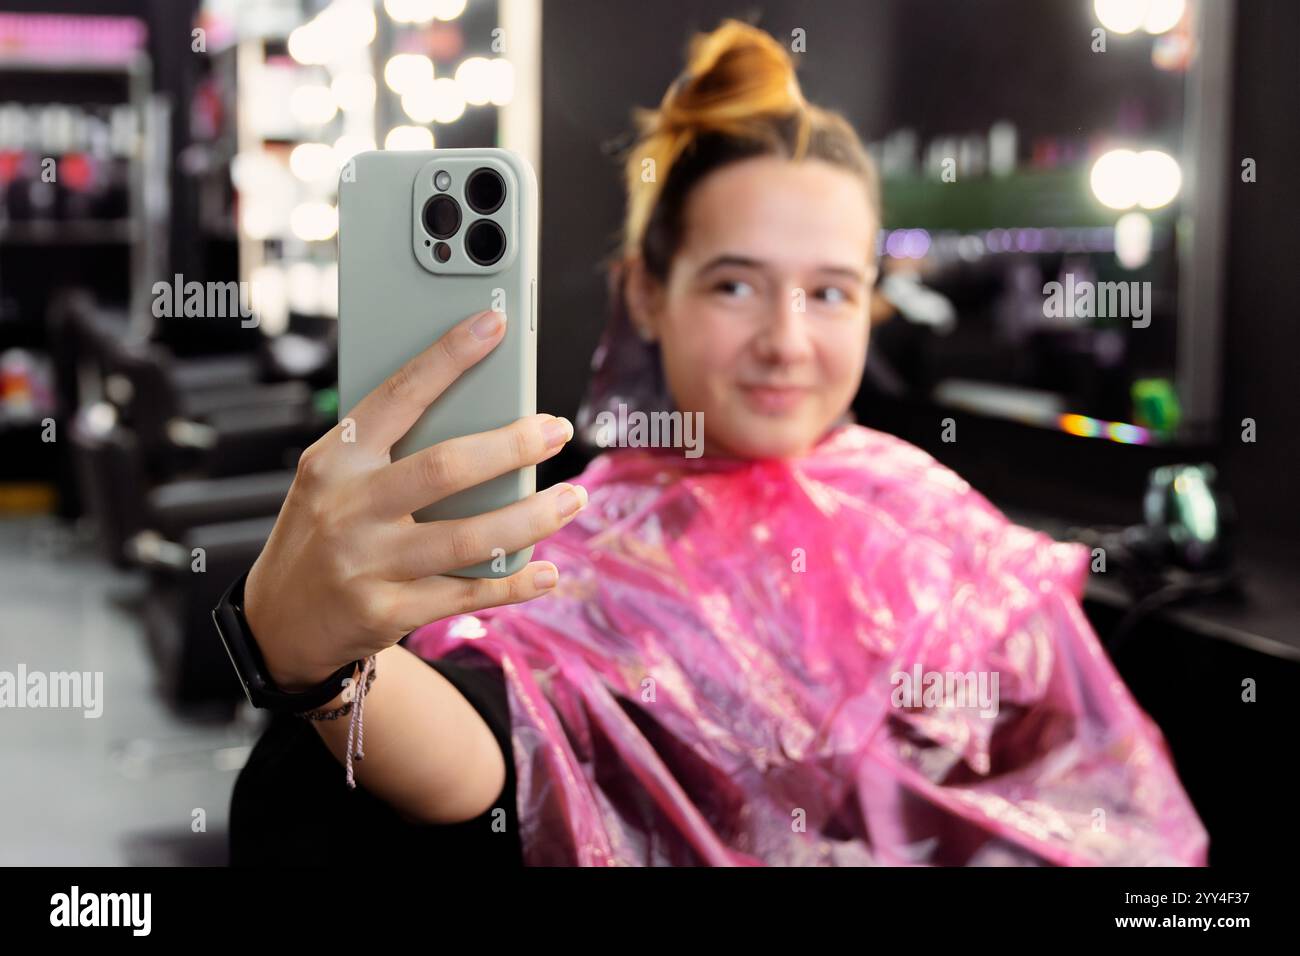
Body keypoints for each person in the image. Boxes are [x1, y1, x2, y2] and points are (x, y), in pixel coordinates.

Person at [229, 19, 1207, 866]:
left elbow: (1092, 791)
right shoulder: (590, 543)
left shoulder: (928, 511)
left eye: (827, 291)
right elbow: (495, 758)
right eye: (735, 285)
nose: (785, 340)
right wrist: (319, 659)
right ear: (648, 293)